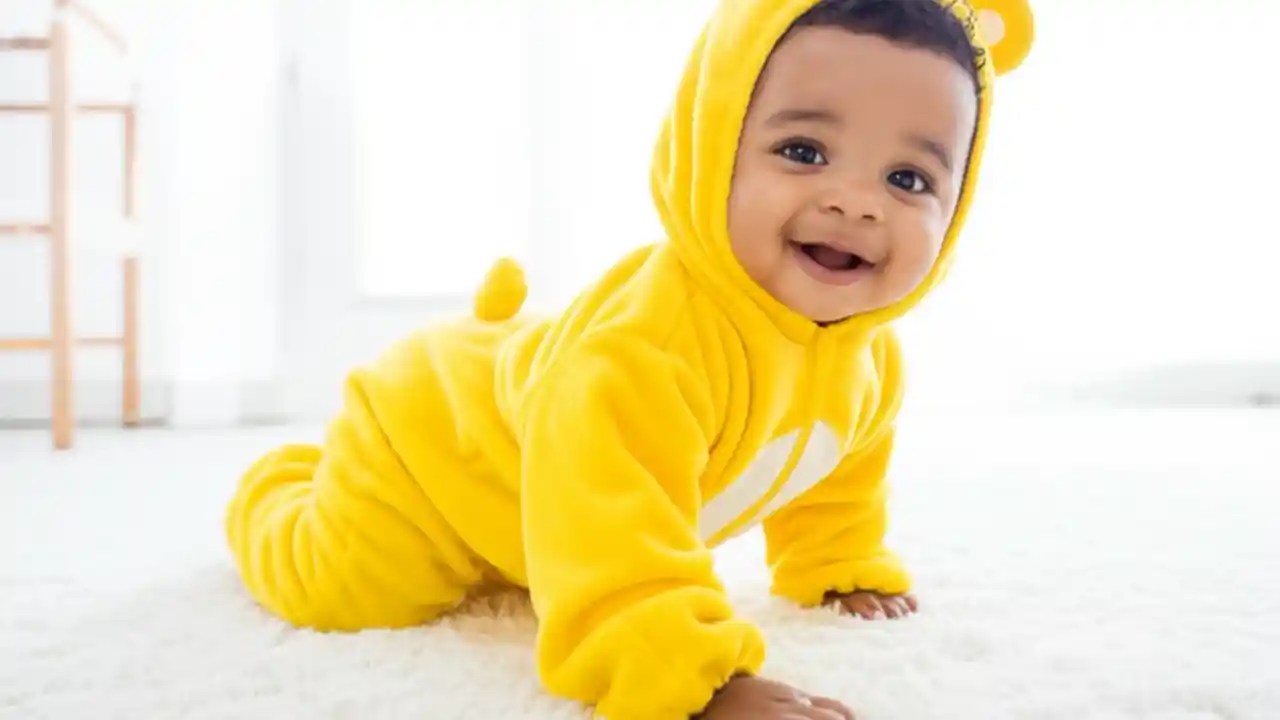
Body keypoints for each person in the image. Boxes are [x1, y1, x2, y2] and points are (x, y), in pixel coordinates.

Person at [224, 0, 1034, 717]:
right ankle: (279, 486)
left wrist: (837, 562)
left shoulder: (870, 359)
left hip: (551, 486)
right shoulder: (644, 351)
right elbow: (621, 543)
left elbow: (837, 473)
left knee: (554, 543)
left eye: (907, 177)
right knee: (352, 591)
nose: (857, 201)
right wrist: (693, 679)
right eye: (803, 152)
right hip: (432, 450)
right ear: (707, 146)